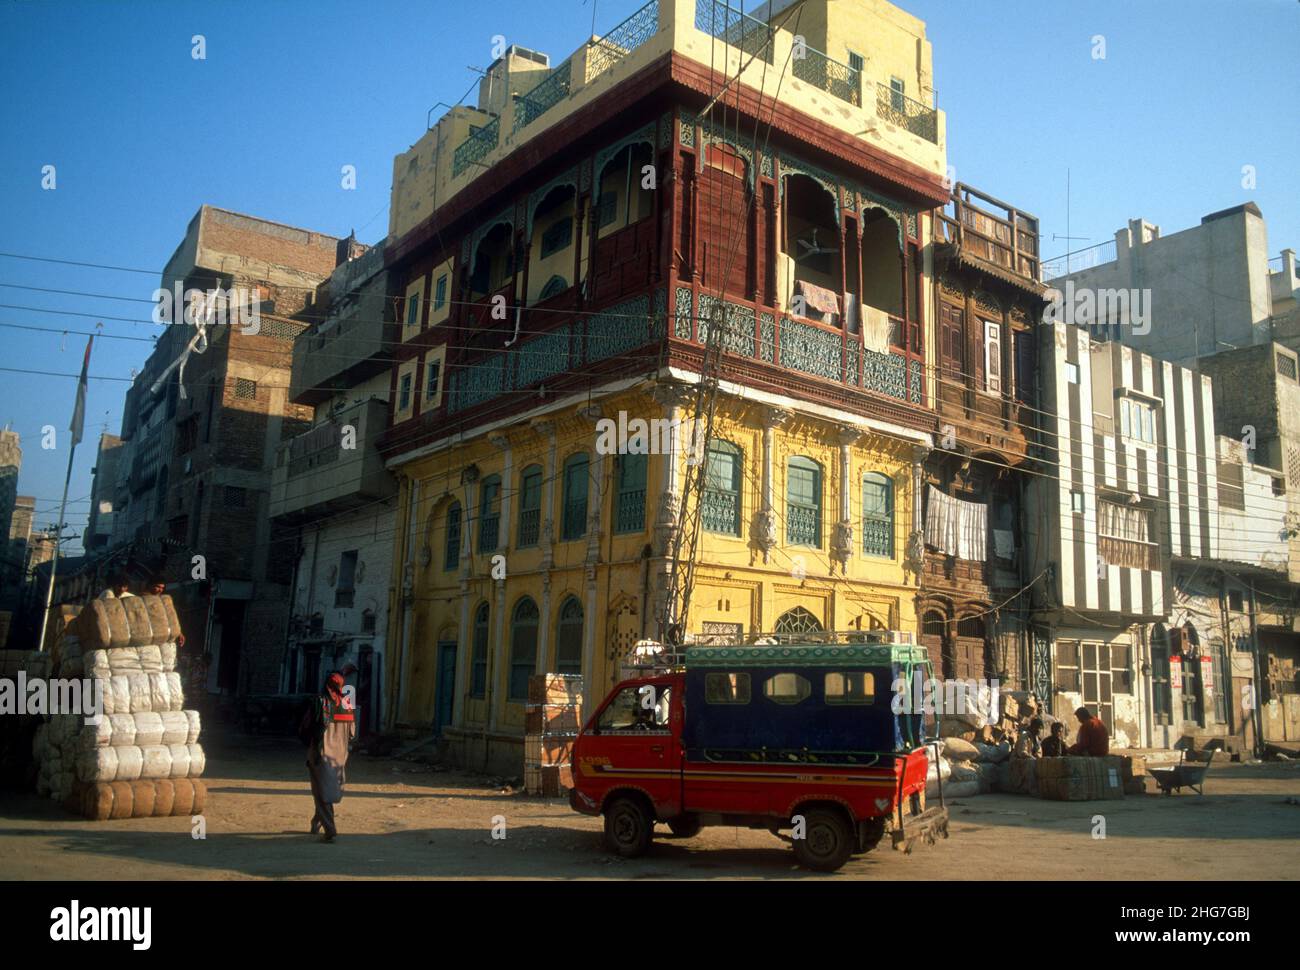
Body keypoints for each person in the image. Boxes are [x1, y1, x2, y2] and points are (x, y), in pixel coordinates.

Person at [303, 670, 356, 842]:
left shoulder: (320, 701)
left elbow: (306, 726)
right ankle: (316, 822)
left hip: (321, 752)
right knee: (325, 788)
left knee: (320, 791)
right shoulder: (348, 703)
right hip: (340, 754)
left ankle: (329, 828)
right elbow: (353, 733)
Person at [146, 575, 184, 646]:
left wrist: (179, 633)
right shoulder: (141, 599)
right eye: (157, 587)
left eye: (162, 588)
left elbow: (171, 617)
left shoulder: (163, 600)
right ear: (150, 585)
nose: (160, 590)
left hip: (164, 636)